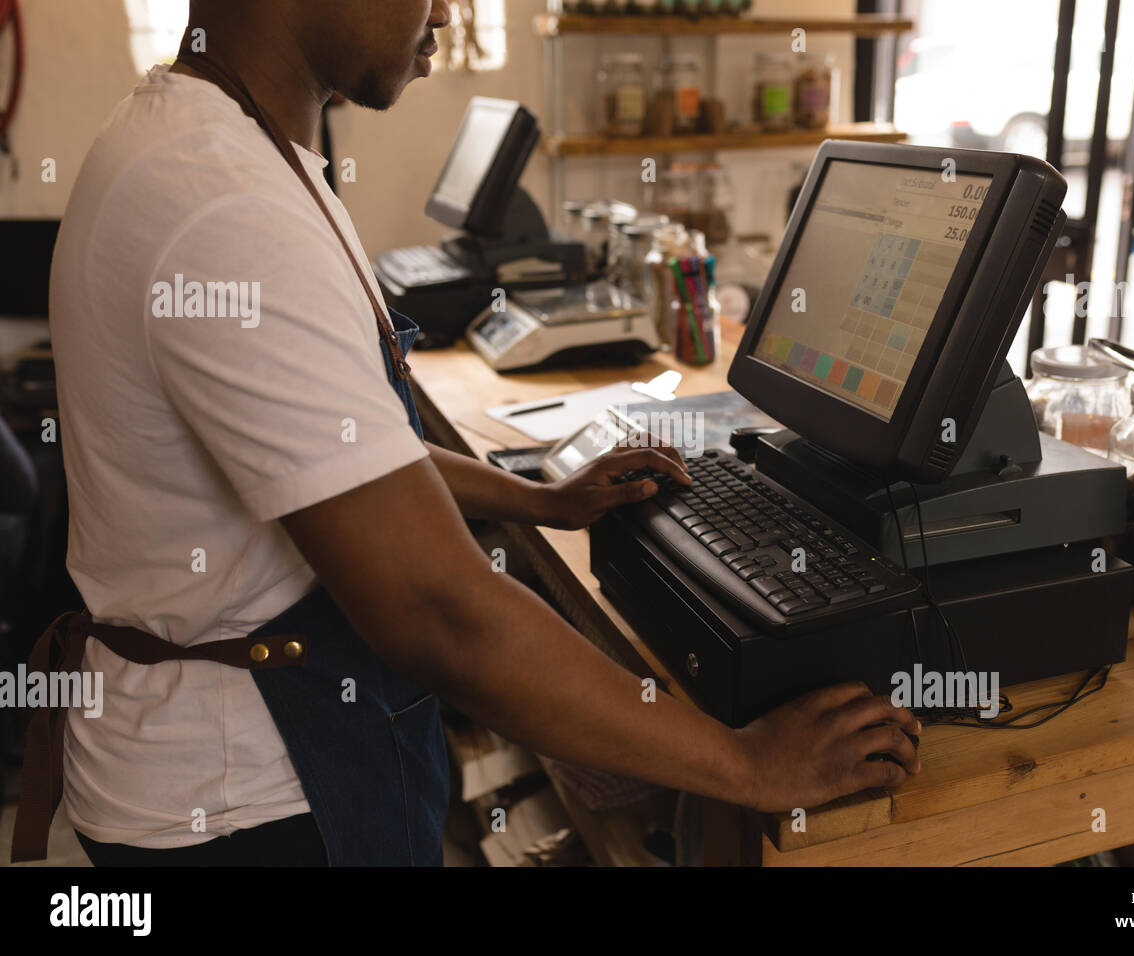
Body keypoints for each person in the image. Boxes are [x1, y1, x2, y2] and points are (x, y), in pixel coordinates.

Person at [17, 0, 919, 867]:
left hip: (249, 766)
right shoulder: (223, 204)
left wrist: (538, 498)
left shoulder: (222, 143)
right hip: (247, 807)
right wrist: (748, 765)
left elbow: (348, 444)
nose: (445, 13)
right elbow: (441, 613)